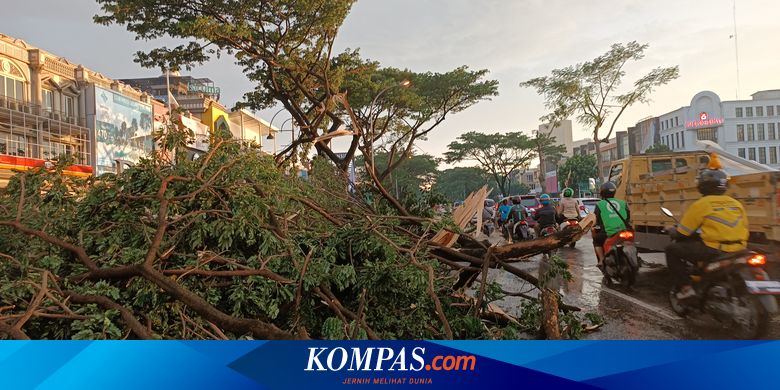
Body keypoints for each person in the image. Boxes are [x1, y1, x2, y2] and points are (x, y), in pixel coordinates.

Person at [665, 154, 748, 301]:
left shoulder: (702, 204)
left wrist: (673, 231)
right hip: (740, 250)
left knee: (671, 250)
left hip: (714, 250)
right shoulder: (736, 203)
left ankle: (686, 288)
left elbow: (683, 232)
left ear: (703, 185)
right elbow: (745, 227)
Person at [592, 182, 631, 270]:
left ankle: (601, 260)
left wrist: (595, 225)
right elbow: (628, 217)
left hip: (608, 233)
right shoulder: (622, 202)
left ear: (602, 193)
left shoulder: (600, 204)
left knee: (596, 240)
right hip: (624, 231)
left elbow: (595, 219)